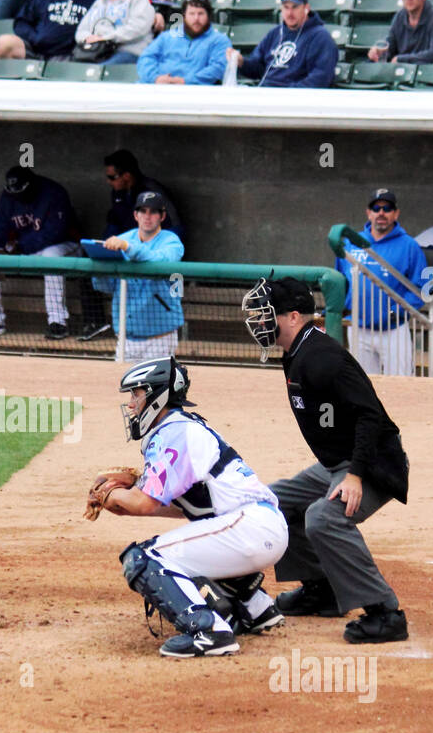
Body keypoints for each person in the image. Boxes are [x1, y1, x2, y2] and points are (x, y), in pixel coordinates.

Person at [242, 277, 411, 645]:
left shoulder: (322, 357)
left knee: (324, 517)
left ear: (293, 317)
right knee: (274, 501)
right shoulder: (298, 351)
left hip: (374, 464)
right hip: (338, 464)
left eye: (265, 314)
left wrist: (355, 475)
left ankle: (385, 612)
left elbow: (370, 416)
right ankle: (323, 590)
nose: (258, 321)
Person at [92, 356, 288, 658]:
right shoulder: (183, 427)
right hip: (255, 528)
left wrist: (110, 495)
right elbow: (176, 505)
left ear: (157, 395)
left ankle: (208, 631)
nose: (131, 404)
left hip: (248, 528)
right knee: (192, 540)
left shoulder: (174, 433)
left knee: (144, 559)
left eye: (137, 394)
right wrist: (120, 499)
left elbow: (144, 504)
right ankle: (252, 606)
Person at [0, 166, 81, 340]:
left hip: (64, 246)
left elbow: (56, 233)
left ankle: (58, 322)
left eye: (20, 192)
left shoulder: (53, 192)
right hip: (24, 248)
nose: (16, 196)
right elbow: (1, 228)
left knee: (51, 256)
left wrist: (21, 246)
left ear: (31, 185)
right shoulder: (7, 196)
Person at [335, 188, 431, 377]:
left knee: (401, 385)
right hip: (358, 328)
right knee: (362, 386)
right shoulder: (351, 243)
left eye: (387, 208)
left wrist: (397, 312)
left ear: (396, 213)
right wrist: (341, 309)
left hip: (393, 330)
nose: (381, 213)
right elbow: (340, 281)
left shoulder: (409, 245)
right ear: (368, 212)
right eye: (376, 208)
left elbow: (423, 286)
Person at [92, 191, 185, 361]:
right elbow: (105, 287)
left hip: (160, 338)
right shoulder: (122, 239)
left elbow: (160, 261)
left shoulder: (171, 241)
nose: (147, 216)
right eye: (143, 211)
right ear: (136, 215)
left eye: (153, 212)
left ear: (162, 216)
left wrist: (129, 248)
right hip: (126, 336)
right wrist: (100, 268)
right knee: (124, 386)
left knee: (158, 388)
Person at [228, 0, 339, 88]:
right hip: (266, 94)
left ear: (307, 8)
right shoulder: (275, 33)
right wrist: (242, 62)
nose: (290, 13)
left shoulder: (321, 37)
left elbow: (320, 79)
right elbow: (258, 69)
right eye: (286, 7)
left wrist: (287, 93)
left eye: (295, 7)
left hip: (295, 101)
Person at [136, 0, 231, 84]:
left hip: (195, 93)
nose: (196, 18)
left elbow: (217, 68)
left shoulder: (219, 40)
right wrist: (155, 78)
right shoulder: (166, 37)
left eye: (201, 14)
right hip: (158, 88)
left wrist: (186, 81)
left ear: (208, 16)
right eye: (191, 14)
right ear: (184, 16)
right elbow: (146, 58)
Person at [0, 0, 98, 61]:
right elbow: (21, 23)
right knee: (5, 43)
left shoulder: (96, 1)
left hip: (70, 57)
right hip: (36, 51)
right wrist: (35, 38)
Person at [367, 0, 433, 64]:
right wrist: (378, 52)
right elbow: (390, 46)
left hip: (428, 71)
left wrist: (401, 59)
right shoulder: (399, 16)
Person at [73, 0, 156, 65]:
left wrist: (105, 38)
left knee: (97, 72)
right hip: (98, 52)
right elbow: (81, 30)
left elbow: (138, 28)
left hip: (129, 52)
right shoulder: (100, 2)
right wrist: (88, 38)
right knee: (75, 69)